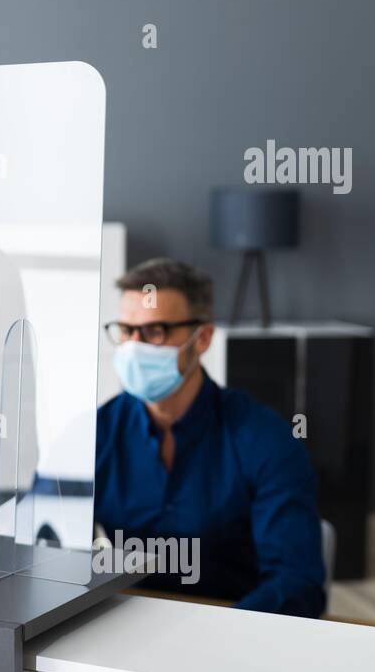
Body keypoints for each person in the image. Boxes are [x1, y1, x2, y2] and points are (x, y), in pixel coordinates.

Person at [94, 257, 326, 617]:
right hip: (124, 628)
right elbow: (40, 545)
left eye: (154, 331)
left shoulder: (265, 440)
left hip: (239, 632)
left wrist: (213, 638)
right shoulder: (95, 434)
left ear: (201, 338)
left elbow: (297, 584)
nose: (133, 348)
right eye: (125, 330)